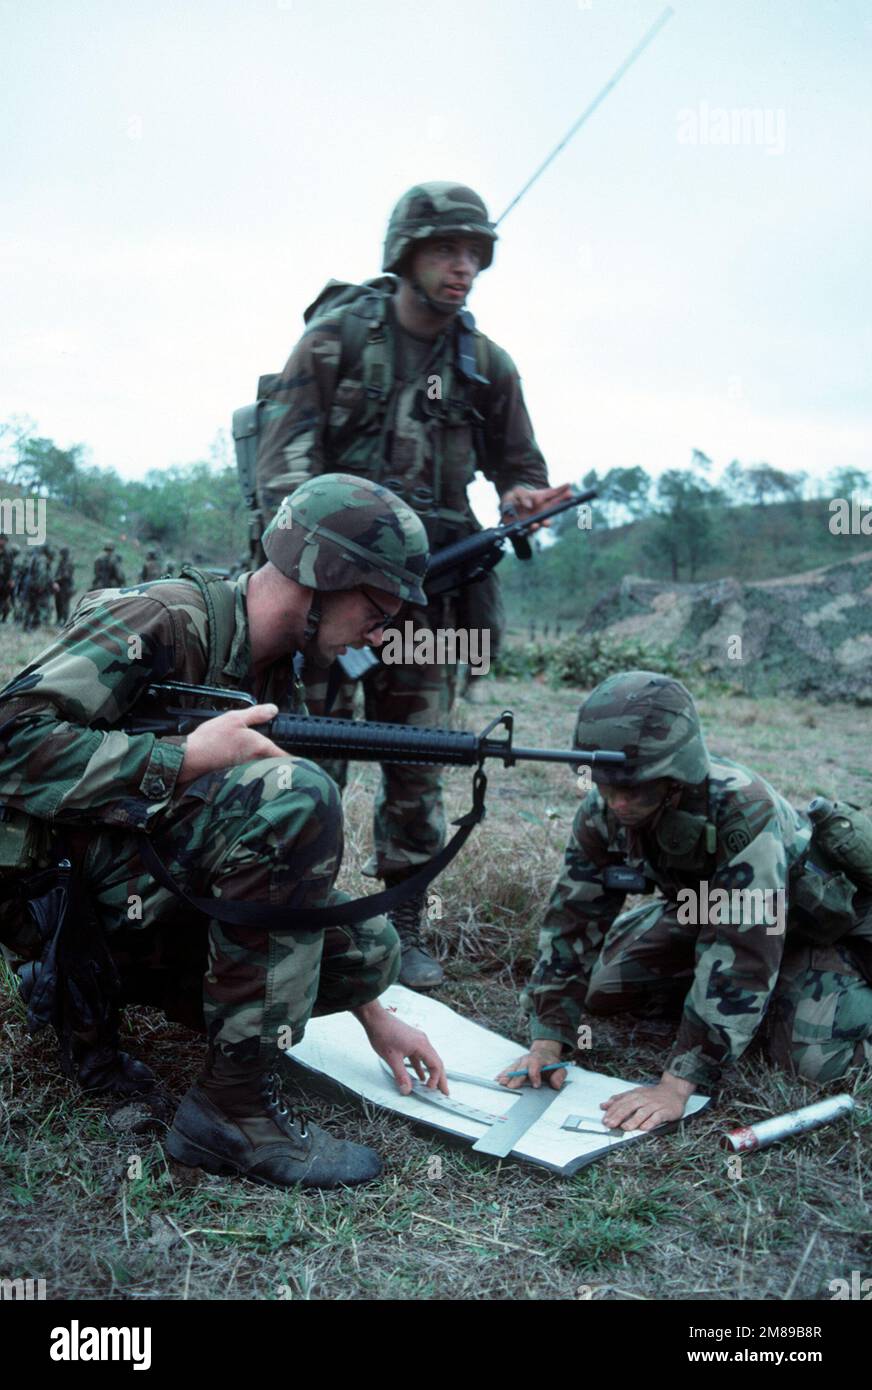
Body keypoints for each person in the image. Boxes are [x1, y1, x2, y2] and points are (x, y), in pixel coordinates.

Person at [0, 475, 448, 1189]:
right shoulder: (166, 618)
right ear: (322, 572)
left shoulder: (275, 679)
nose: (382, 629)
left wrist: (373, 1017)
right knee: (298, 790)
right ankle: (231, 1110)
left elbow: (276, 869)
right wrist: (180, 761)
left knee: (367, 952)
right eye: (376, 604)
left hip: (141, 879)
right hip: (50, 890)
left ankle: (112, 993)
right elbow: (11, 741)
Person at [256, 180, 570, 989]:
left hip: (430, 590)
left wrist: (524, 500)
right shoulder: (333, 342)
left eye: (475, 254)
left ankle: (403, 925)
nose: (463, 268)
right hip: (328, 591)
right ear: (405, 253)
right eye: (446, 251)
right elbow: (280, 471)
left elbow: (519, 470)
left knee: (417, 758)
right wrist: (315, 583)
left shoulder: (486, 364)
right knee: (312, 753)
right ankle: (297, 915)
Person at [500, 671, 872, 1129]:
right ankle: (739, 1011)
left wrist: (678, 1083)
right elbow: (573, 920)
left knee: (813, 1062)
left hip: (816, 928)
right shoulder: (602, 812)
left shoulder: (741, 810)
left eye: (632, 788)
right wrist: (548, 1039)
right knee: (606, 987)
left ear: (676, 777)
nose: (615, 803)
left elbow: (745, 949)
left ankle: (797, 999)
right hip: (710, 912)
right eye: (604, 785)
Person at [55, 546, 75, 625]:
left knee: (64, 604)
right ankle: (58, 620)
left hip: (65, 587)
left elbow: (65, 576)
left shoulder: (68, 563)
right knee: (58, 603)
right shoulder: (62, 562)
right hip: (60, 586)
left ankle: (64, 621)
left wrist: (56, 580)